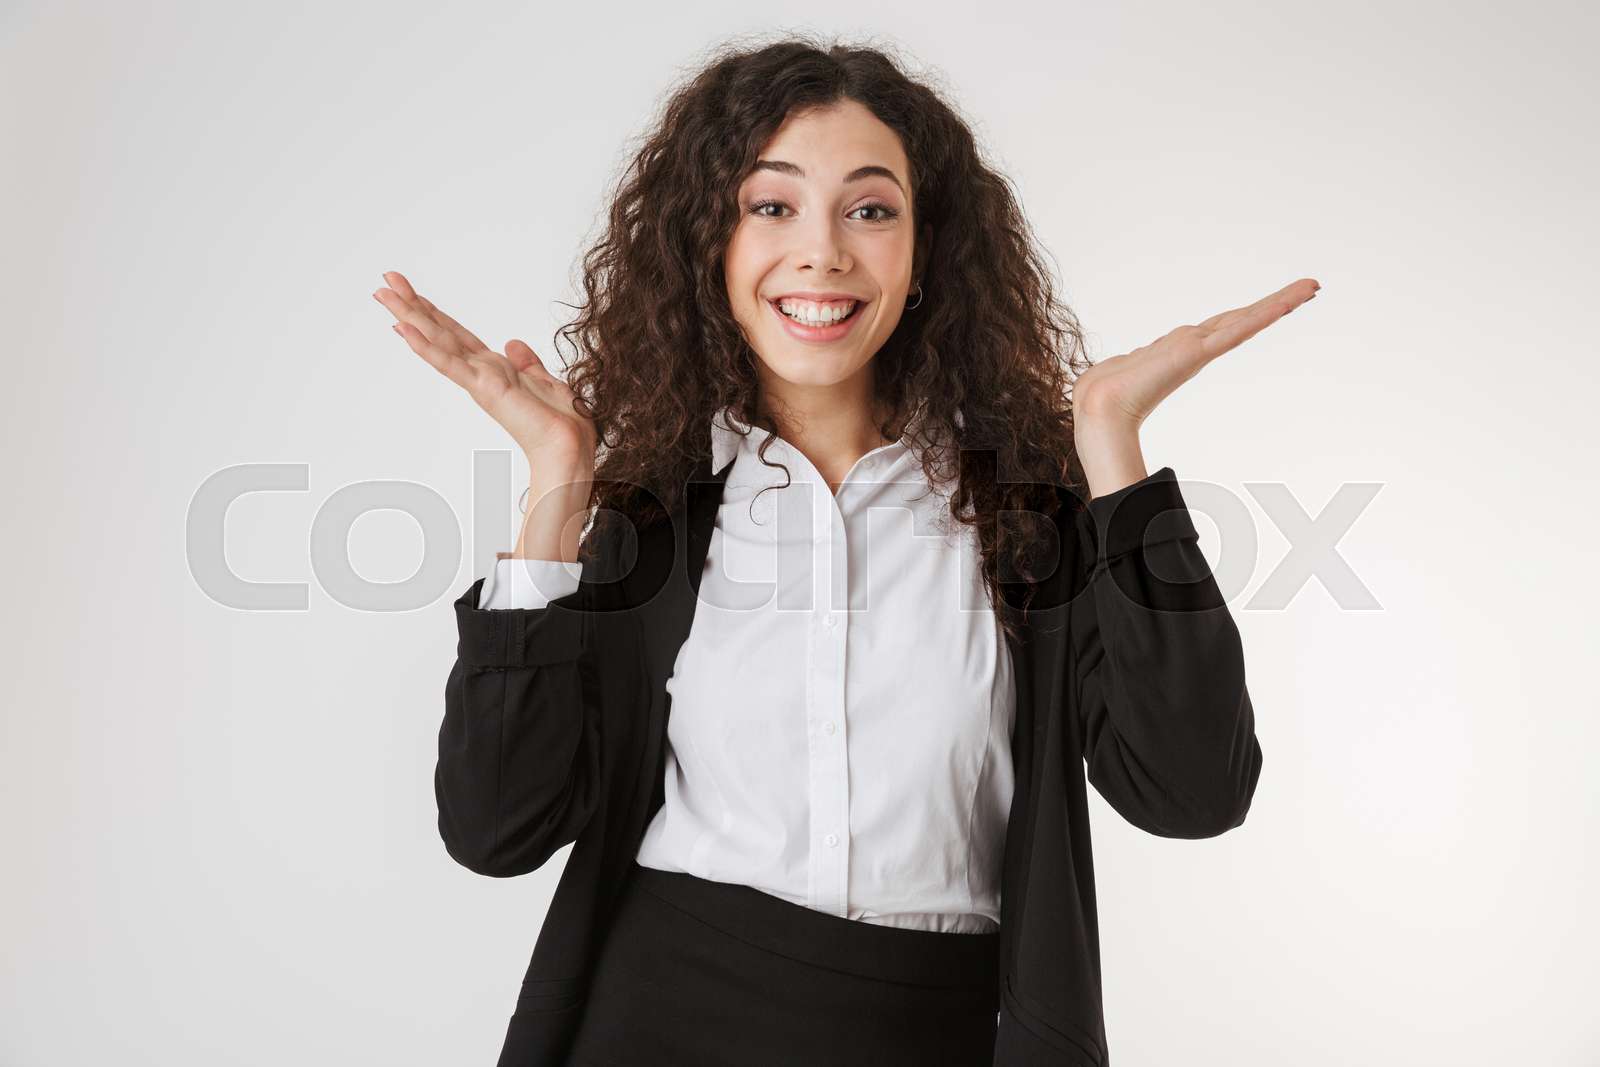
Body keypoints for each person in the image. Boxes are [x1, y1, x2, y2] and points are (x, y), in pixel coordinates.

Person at [376, 35, 1305, 1067]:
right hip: (651, 1018)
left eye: (869, 210)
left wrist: (1112, 453)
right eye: (771, 205)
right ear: (710, 245)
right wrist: (559, 479)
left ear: (925, 251)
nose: (821, 251)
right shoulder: (655, 520)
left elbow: (1192, 790)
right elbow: (497, 828)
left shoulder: (1027, 515)